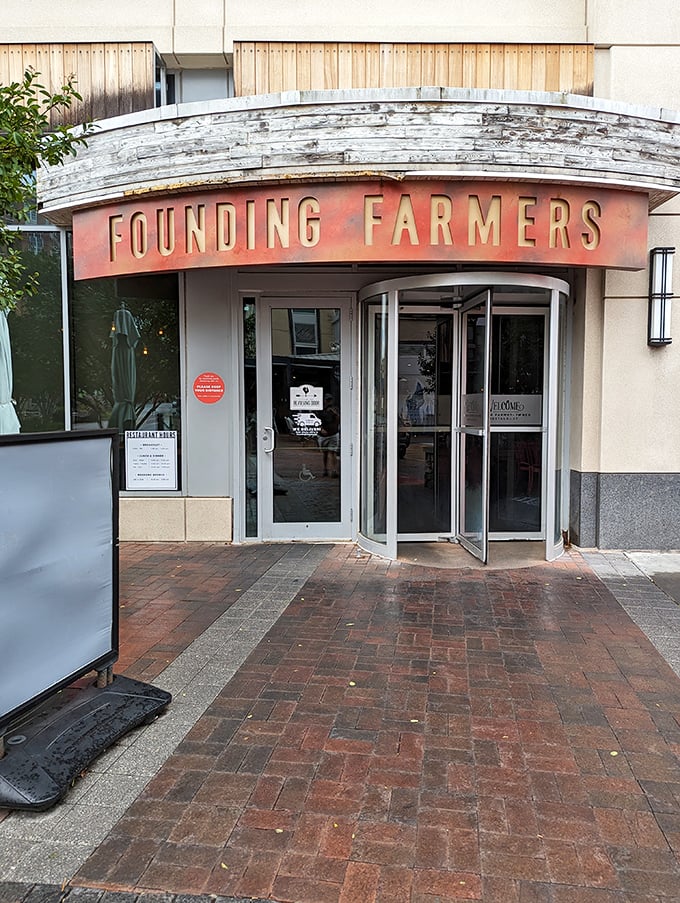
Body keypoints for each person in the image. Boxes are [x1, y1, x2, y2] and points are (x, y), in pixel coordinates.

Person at [317, 394, 340, 476]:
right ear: (324, 401)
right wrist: (320, 429)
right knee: (325, 453)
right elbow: (317, 421)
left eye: (330, 400)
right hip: (323, 435)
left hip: (333, 434)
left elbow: (338, 420)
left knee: (333, 452)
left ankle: (334, 470)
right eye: (327, 400)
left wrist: (334, 413)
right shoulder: (321, 410)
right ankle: (325, 469)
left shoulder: (335, 409)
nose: (329, 402)